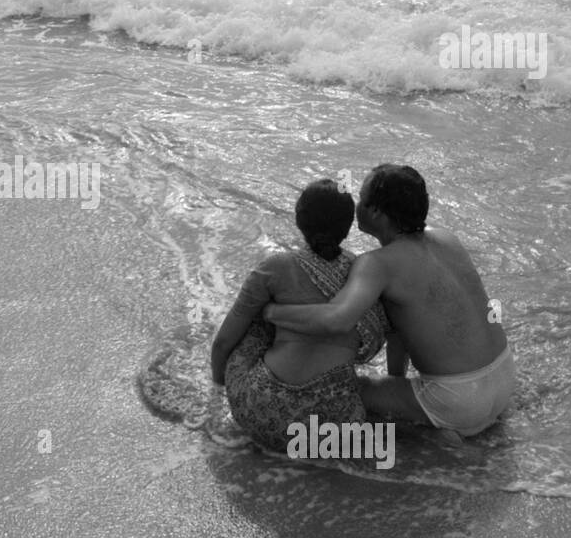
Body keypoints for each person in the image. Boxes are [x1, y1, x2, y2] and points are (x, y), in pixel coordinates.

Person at [263, 164, 515, 438]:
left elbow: (337, 319)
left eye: (361, 198)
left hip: (459, 398)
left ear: (376, 213)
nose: (356, 205)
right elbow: (404, 325)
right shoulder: (446, 238)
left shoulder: (377, 264)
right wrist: (397, 382)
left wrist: (271, 311)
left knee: (349, 390)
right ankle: (438, 417)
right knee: (396, 384)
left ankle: (440, 436)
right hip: (504, 375)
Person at [211, 179, 389, 451]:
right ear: (347, 226)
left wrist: (218, 387)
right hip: (335, 430)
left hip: (262, 415)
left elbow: (224, 343)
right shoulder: (366, 274)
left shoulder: (275, 268)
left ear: (299, 219)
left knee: (256, 315)